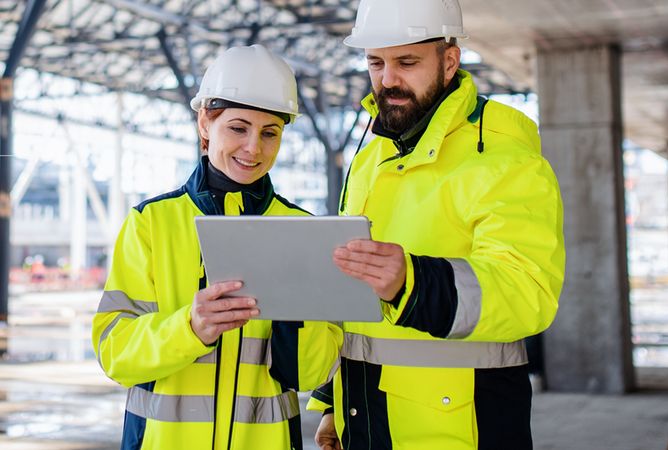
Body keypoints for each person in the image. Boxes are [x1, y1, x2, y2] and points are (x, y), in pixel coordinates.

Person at [309, 0, 565, 449]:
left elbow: (527, 293)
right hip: (365, 419)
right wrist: (333, 402)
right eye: (376, 63)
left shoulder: (505, 159)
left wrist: (412, 280)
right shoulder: (371, 158)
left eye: (407, 62)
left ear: (449, 61)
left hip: (462, 428)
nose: (388, 80)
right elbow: (354, 296)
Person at [92, 45, 342, 450]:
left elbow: (313, 374)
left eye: (270, 133)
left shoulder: (302, 231)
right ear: (205, 123)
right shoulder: (152, 223)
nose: (253, 149)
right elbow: (115, 353)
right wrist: (188, 328)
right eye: (238, 128)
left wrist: (298, 314)